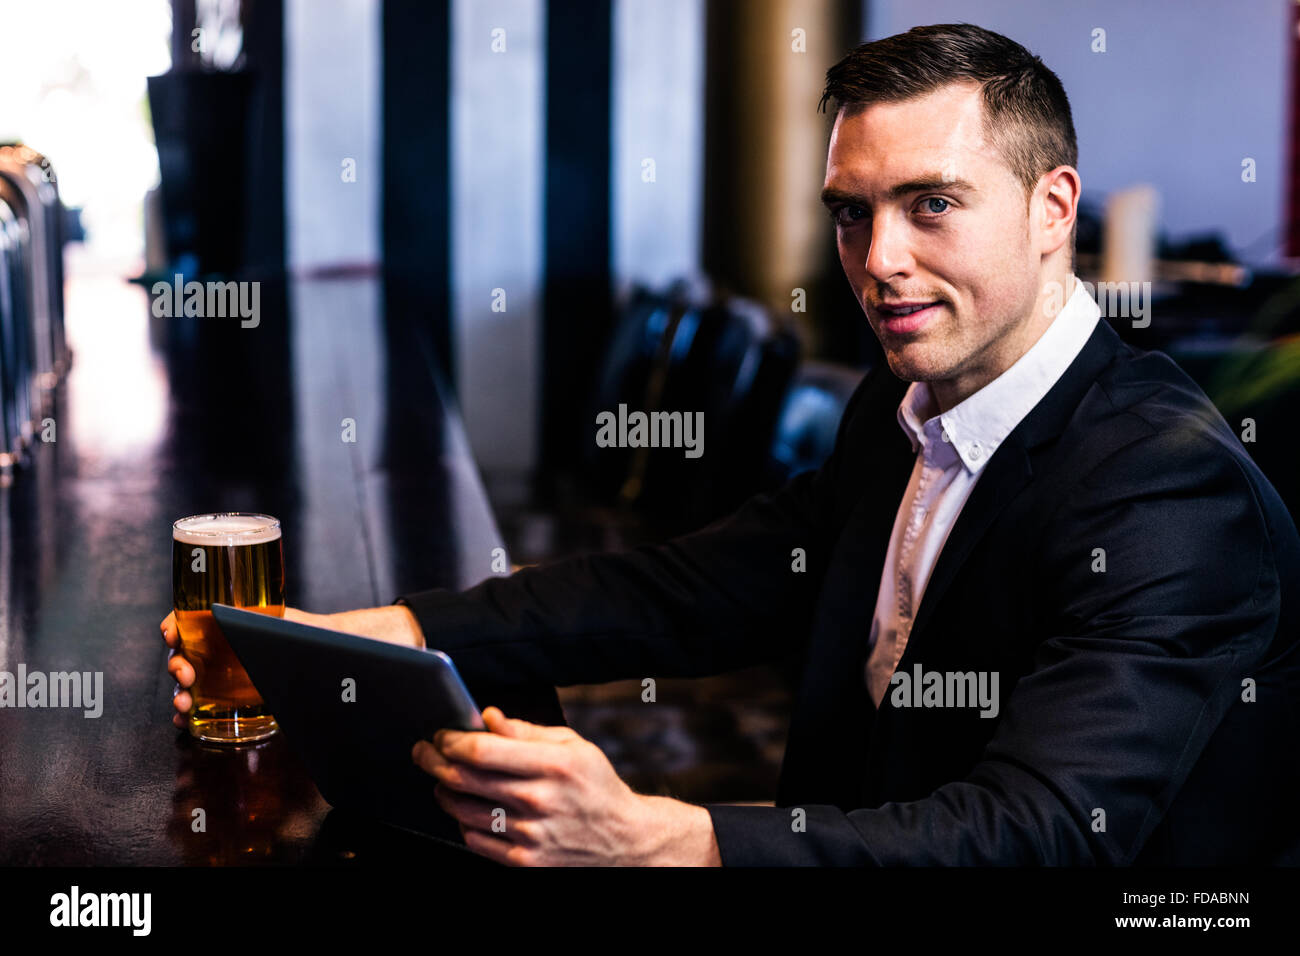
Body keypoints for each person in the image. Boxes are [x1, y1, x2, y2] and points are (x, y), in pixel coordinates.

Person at [161, 23, 1300, 866]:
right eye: (852, 211)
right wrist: (358, 634)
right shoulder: (905, 402)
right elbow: (692, 588)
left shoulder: (1168, 490)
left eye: (931, 204)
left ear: (1053, 207)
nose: (879, 259)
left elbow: (1040, 831)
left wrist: (660, 836)